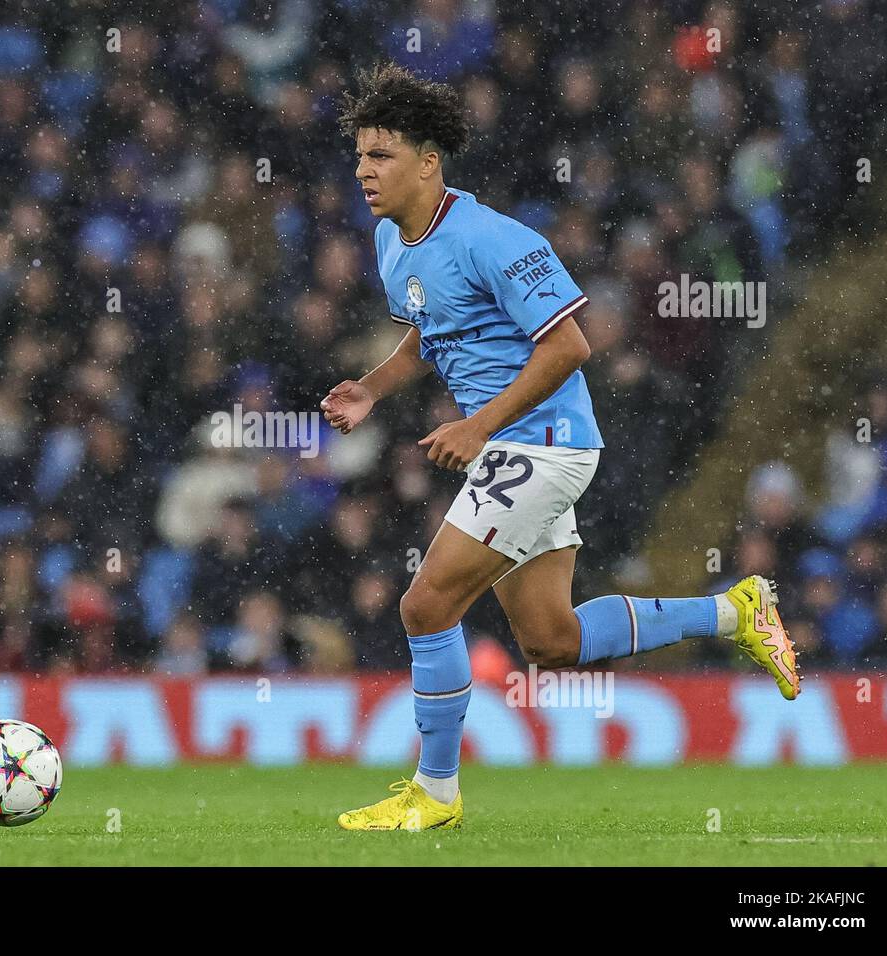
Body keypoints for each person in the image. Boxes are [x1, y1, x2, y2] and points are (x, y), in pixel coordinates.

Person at [322, 64, 799, 832]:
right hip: (511, 448)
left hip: (542, 442)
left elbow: (570, 345)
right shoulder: (391, 242)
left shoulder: (494, 237)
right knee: (552, 640)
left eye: (380, 155)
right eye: (359, 156)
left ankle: (434, 793)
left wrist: (479, 426)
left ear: (428, 160)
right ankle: (735, 612)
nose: (363, 171)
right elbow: (428, 329)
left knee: (425, 602)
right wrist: (374, 388)